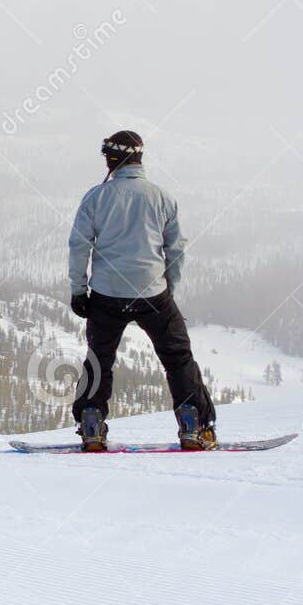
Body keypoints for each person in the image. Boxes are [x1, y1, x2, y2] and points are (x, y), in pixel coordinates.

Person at [67, 130, 216, 452]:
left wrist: (79, 291)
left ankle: (92, 425)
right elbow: (175, 250)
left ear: (111, 159)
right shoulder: (162, 197)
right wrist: (168, 290)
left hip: (106, 295)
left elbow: (79, 246)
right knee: (178, 358)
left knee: (99, 359)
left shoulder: (96, 197)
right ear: (139, 158)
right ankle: (193, 424)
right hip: (153, 294)